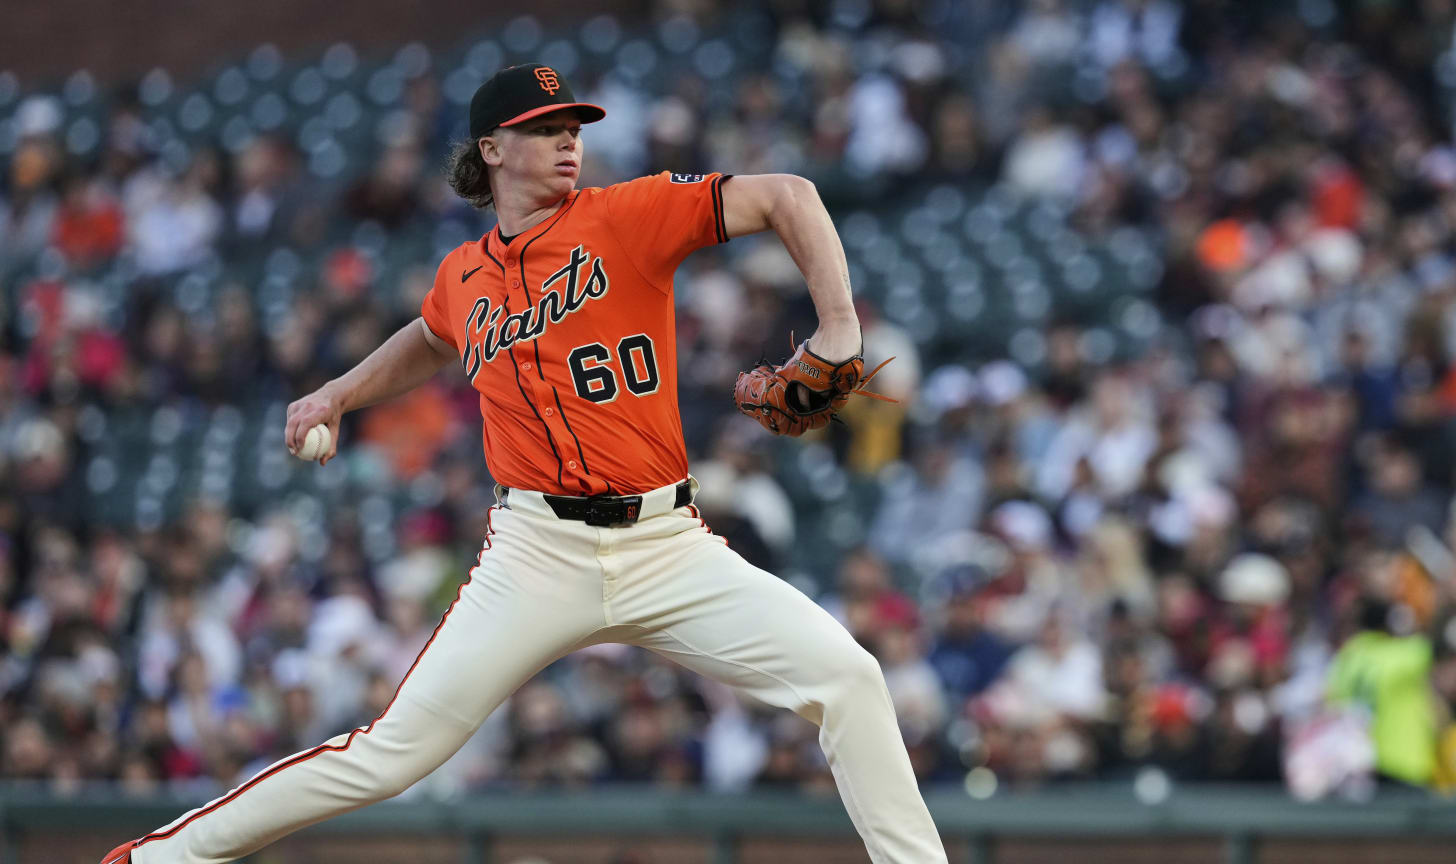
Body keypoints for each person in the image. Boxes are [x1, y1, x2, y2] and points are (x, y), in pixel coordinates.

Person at [102, 63, 946, 864]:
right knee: (391, 754)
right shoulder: (462, 276)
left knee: (849, 678)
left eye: (573, 124)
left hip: (668, 544)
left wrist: (839, 330)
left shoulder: (626, 215)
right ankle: (162, 856)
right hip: (536, 553)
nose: (569, 138)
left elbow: (788, 195)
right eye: (544, 128)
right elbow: (432, 336)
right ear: (491, 151)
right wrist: (338, 395)